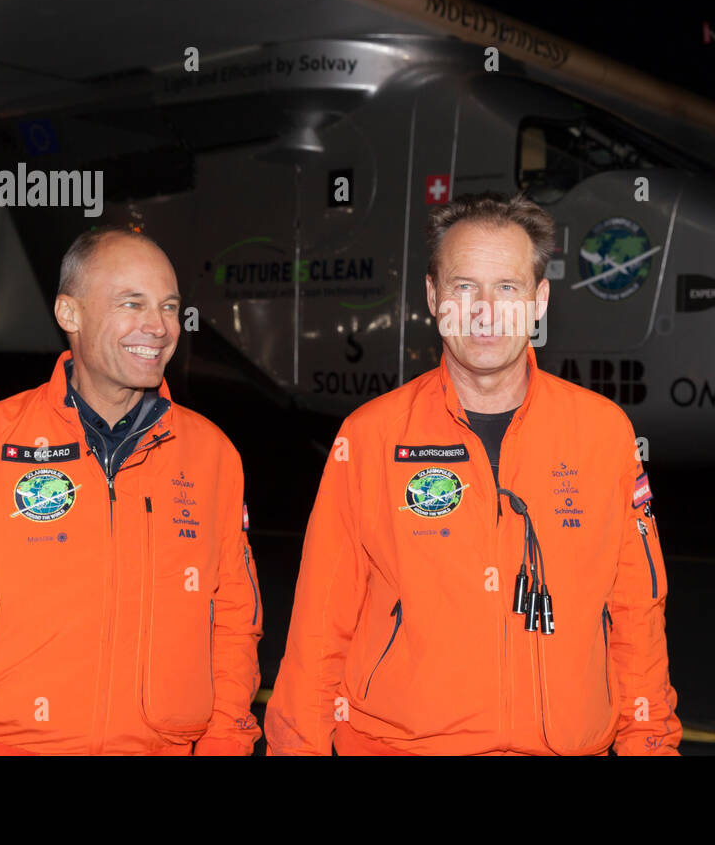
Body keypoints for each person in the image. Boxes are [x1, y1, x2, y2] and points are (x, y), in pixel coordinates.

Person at [265, 191, 680, 755]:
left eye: (507, 288)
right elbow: (319, 625)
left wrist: (650, 746)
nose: (485, 310)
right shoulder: (369, 437)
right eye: (464, 288)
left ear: (539, 301)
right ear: (434, 298)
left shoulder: (603, 434)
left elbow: (638, 616)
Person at [0, 227, 262, 755]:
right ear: (69, 314)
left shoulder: (212, 454)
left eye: (169, 307)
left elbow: (235, 627)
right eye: (133, 303)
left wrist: (223, 747)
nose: (158, 326)